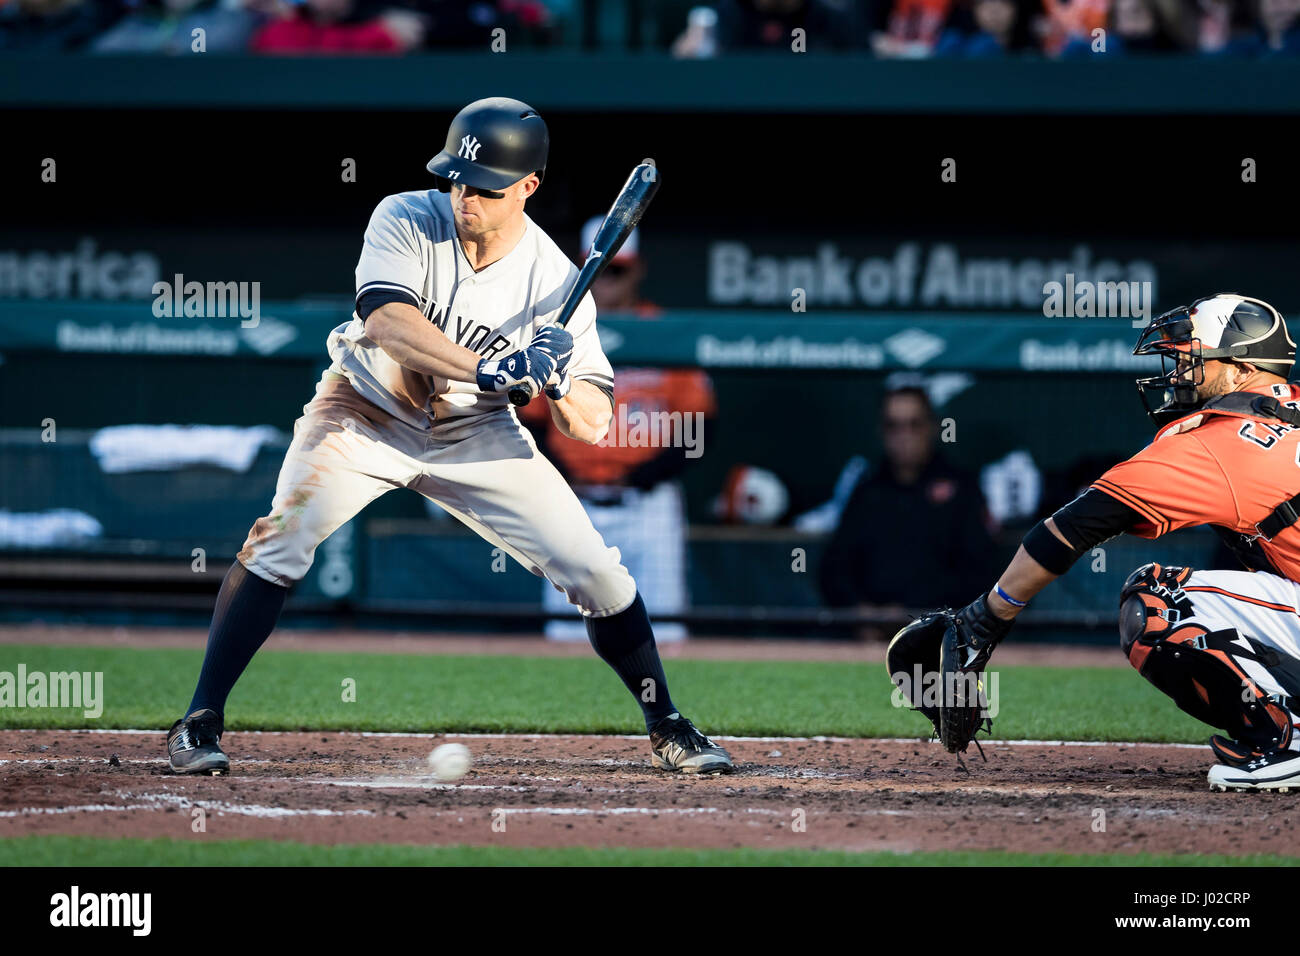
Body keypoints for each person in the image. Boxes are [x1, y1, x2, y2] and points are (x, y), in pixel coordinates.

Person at [164, 97, 733, 777]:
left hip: (476, 432)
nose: (465, 197)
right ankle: (199, 720)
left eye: (486, 186)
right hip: (366, 409)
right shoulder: (405, 216)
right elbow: (386, 322)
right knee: (283, 536)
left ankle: (668, 724)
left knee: (596, 573)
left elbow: (594, 418)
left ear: (527, 188)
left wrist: (555, 380)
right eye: (457, 179)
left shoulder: (553, 281)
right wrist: (492, 366)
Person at [892, 294, 1300, 791]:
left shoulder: (1224, 438)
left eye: (1192, 359)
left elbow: (1076, 525)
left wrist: (988, 615)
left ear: (1238, 372)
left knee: (1158, 602)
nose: (1178, 373)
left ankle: (1286, 741)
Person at [519, 217, 715, 643]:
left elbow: (700, 428)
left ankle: (661, 709)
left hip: (647, 502)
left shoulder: (664, 333)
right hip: (573, 502)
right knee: (569, 634)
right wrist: (558, 475)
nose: (608, 282)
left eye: (618, 271)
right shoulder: (555, 333)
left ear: (638, 269)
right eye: (600, 270)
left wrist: (646, 475)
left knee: (663, 631)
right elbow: (526, 422)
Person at [820, 383, 998, 639]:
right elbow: (833, 568)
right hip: (867, 638)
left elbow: (980, 575)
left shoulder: (962, 490)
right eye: (894, 426)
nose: (904, 436)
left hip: (942, 637)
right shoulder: (868, 491)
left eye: (914, 425)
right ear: (882, 431)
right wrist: (861, 612)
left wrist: (912, 613)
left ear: (932, 427)